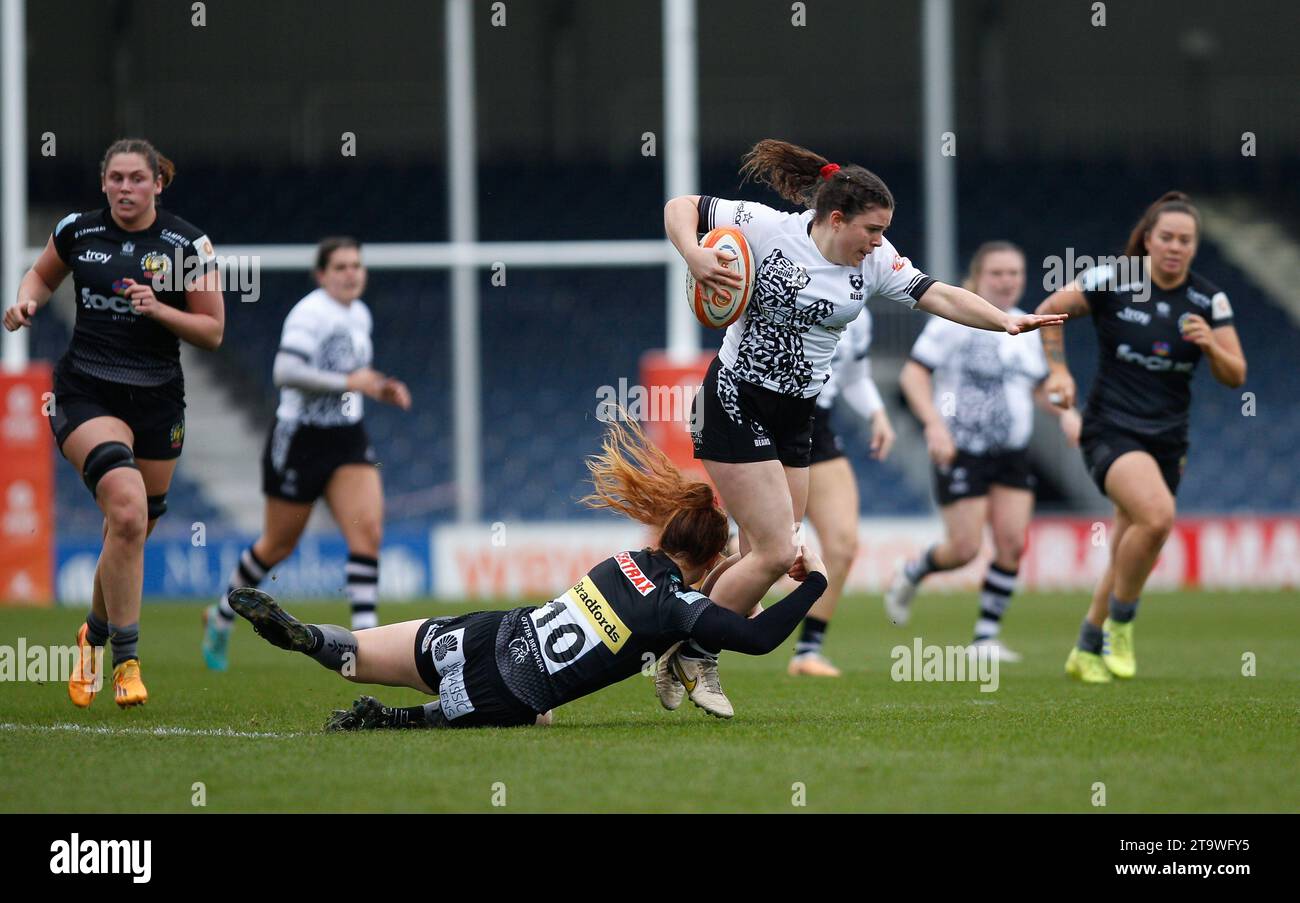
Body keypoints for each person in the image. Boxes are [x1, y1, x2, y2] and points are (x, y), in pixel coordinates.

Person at [658, 138, 1065, 715]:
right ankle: (696, 654)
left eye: (883, 232)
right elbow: (681, 206)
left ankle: (674, 630)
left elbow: (937, 294)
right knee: (777, 552)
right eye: (871, 230)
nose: (878, 242)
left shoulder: (874, 261)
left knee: (762, 557)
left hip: (797, 415)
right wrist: (693, 256)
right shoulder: (767, 228)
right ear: (835, 218)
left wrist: (1003, 321)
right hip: (734, 399)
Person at [226, 419, 829, 728]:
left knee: (357, 653)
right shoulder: (675, 608)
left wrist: (730, 562)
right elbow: (755, 636)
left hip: (484, 632)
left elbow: (692, 586)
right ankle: (388, 719)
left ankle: (310, 638)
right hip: (509, 691)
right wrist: (816, 583)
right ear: (704, 562)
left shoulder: (621, 564)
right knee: (532, 717)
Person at [3, 138, 225, 708]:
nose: (126, 188)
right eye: (117, 178)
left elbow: (212, 330)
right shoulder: (77, 230)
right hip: (85, 390)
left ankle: (92, 634)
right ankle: (126, 662)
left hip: (158, 400)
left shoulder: (187, 245)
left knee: (130, 530)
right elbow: (40, 276)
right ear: (104, 182)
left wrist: (160, 308)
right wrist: (26, 301)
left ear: (158, 183)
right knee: (126, 508)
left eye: (137, 178)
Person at [1035, 192, 1246, 683]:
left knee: (1133, 541)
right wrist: (1058, 372)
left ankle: (1087, 645)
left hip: (1169, 439)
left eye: (1185, 240)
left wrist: (1211, 345)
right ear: (1148, 240)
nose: (1175, 247)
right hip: (1110, 428)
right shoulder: (1112, 279)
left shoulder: (1209, 301)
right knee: (1157, 518)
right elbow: (1049, 310)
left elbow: (1235, 375)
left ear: (1195, 246)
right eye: (1167, 237)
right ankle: (1122, 624)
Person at [202, 238, 410, 670]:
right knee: (278, 544)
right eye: (341, 267)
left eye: (356, 265)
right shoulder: (309, 313)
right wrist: (350, 383)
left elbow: (351, 373)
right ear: (321, 275)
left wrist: (379, 386)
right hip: (300, 439)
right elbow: (285, 372)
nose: (351, 273)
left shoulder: (360, 314)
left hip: (346, 435)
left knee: (368, 531)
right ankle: (221, 615)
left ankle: (366, 640)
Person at [886, 242, 1081, 661]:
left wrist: (1067, 412)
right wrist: (934, 426)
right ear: (978, 276)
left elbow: (1038, 387)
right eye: (997, 273)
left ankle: (985, 637)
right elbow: (913, 375)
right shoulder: (956, 320)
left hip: (1011, 451)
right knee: (964, 549)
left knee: (1012, 543)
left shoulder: (1027, 328)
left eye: (1014, 273)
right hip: (961, 450)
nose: (1007, 281)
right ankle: (913, 571)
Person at [786, 309, 896, 677]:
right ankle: (690, 633)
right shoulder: (789, 286)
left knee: (843, 544)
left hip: (817, 424)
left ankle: (807, 651)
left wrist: (877, 414)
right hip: (769, 418)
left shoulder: (860, 312)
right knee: (767, 549)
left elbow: (854, 376)